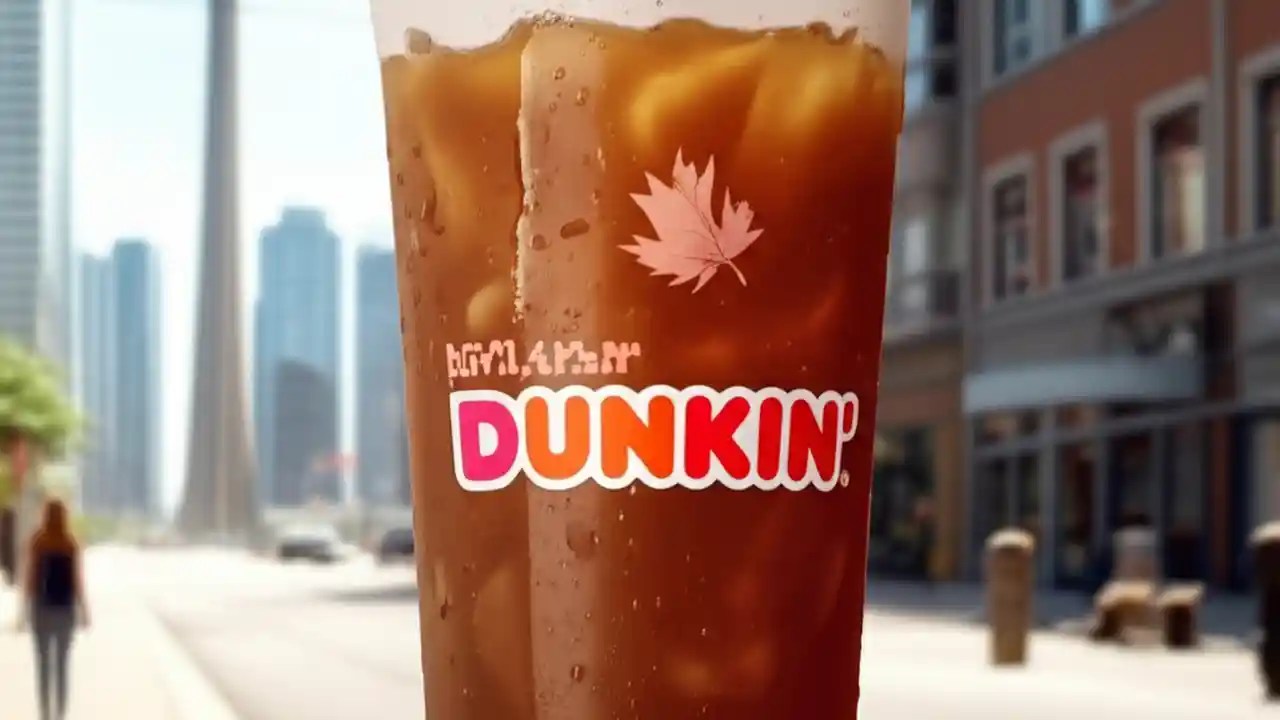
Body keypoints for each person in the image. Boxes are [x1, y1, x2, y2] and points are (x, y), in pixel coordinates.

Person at [23, 500, 89, 720]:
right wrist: (84, 609)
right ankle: (59, 715)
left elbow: (31, 577)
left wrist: (24, 608)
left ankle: (44, 715)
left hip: (41, 609)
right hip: (65, 610)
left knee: (42, 666)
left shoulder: (37, 542)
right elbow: (77, 580)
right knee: (62, 666)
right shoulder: (70, 543)